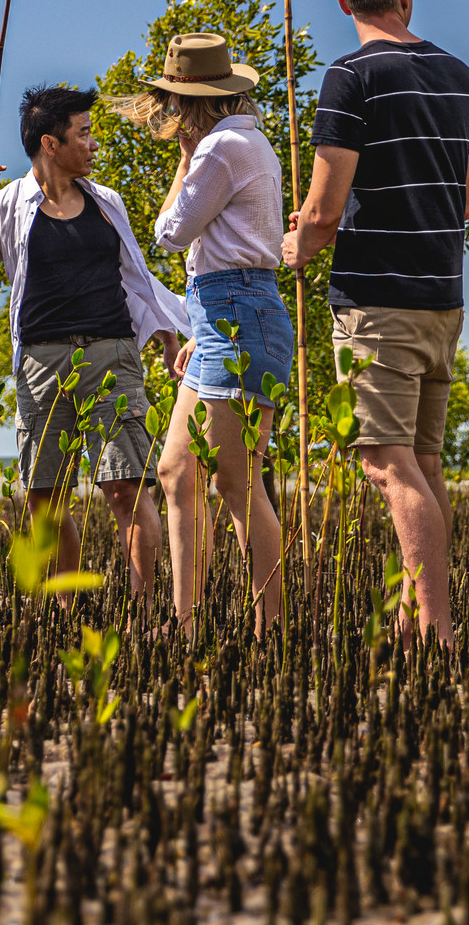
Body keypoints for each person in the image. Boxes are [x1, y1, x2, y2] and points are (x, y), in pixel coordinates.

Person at [282, 0, 469, 649]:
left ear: (343, 3)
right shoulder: (461, 78)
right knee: (423, 468)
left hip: (377, 299)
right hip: (442, 296)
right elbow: (461, 204)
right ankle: (408, 625)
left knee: (386, 465)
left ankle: (435, 631)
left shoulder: (349, 78)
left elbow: (326, 208)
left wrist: (299, 241)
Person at [0, 85, 186, 600]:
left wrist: (167, 338)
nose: (94, 144)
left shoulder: (107, 204)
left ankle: (143, 619)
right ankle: (65, 613)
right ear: (50, 144)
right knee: (46, 499)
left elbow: (137, 280)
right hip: (40, 361)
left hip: (112, 355)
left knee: (126, 488)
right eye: (84, 134)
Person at [120, 34, 292, 639]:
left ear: (190, 101)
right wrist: (202, 326)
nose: (166, 113)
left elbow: (170, 231)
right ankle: (187, 625)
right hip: (228, 313)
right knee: (176, 472)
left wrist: (185, 157)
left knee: (237, 483)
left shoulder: (219, 148)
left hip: (239, 314)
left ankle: (270, 632)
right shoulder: (250, 142)